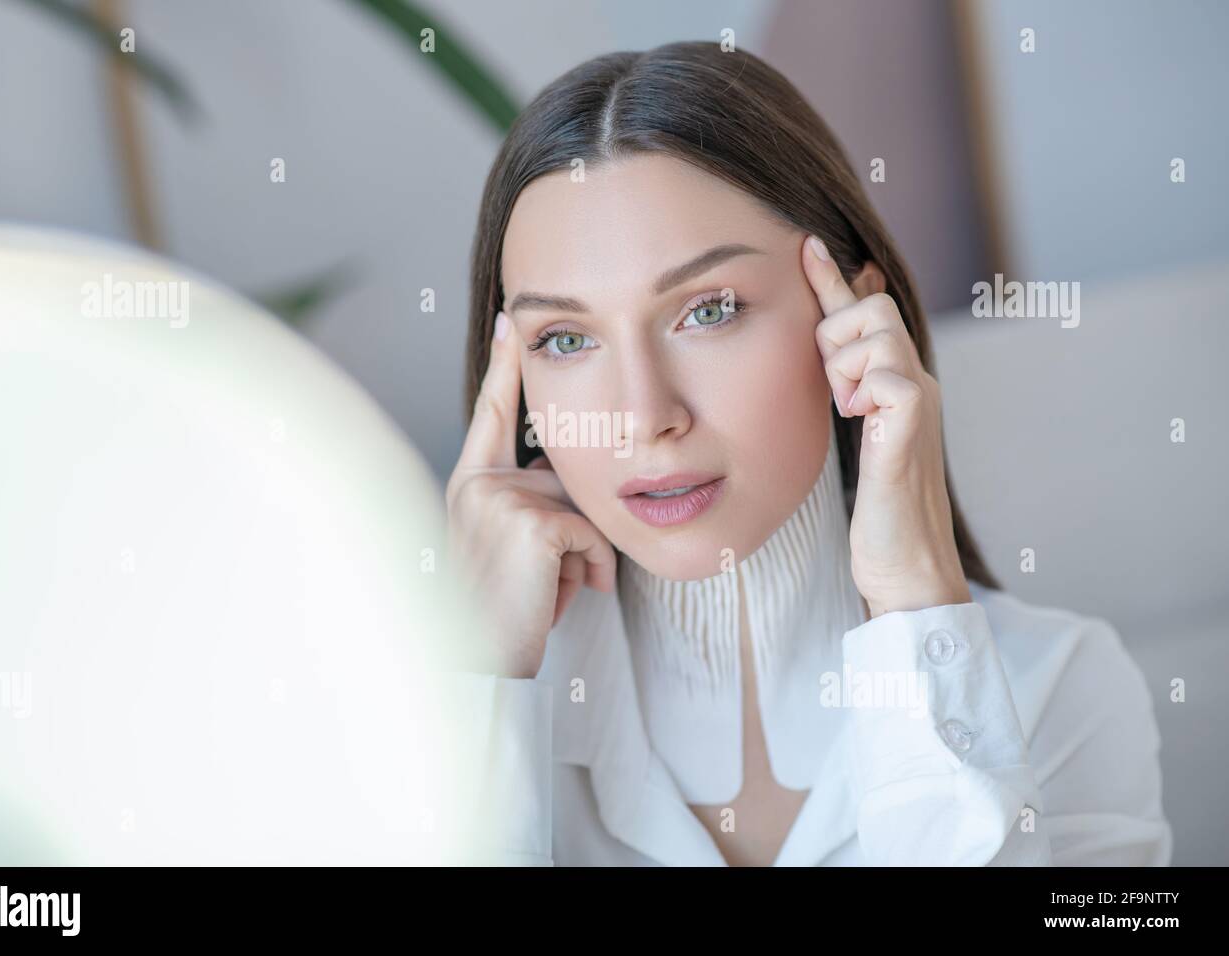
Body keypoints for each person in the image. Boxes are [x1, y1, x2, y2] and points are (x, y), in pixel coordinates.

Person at [441, 41, 1171, 866]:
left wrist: (915, 602)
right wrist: (480, 678)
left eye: (709, 310)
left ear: (857, 318)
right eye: (566, 337)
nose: (641, 419)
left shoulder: (1062, 689)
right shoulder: (457, 709)